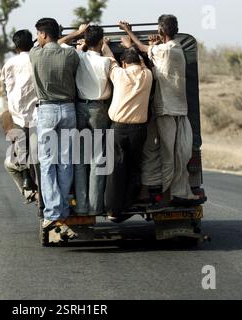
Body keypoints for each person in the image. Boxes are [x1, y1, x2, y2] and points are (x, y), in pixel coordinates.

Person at [118, 17, 202, 209]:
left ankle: (167, 195)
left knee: (168, 154)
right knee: (177, 153)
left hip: (166, 109)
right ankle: (172, 191)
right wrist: (153, 44)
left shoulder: (165, 50)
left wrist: (128, 33)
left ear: (162, 31)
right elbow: (156, 64)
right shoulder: (176, 48)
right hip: (177, 108)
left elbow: (144, 49)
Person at [29, 18, 80, 237]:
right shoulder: (70, 55)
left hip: (47, 111)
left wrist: (65, 37)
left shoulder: (35, 54)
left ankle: (53, 211)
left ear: (41, 34)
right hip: (69, 109)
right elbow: (59, 45)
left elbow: (38, 45)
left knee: (48, 163)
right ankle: (64, 208)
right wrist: (74, 36)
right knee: (66, 160)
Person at [58, 24, 112, 215]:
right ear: (100, 41)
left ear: (86, 41)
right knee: (98, 158)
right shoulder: (106, 62)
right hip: (98, 109)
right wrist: (105, 46)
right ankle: (95, 206)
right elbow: (113, 62)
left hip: (79, 107)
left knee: (80, 159)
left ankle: (81, 206)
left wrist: (79, 36)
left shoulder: (77, 57)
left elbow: (57, 43)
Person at [101, 35, 153, 220]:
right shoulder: (147, 75)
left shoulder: (119, 74)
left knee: (116, 169)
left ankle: (113, 209)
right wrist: (132, 47)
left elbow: (110, 59)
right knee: (134, 167)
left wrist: (106, 45)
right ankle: (129, 203)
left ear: (124, 63)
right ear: (139, 62)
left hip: (119, 128)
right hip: (139, 130)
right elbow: (143, 63)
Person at [1, 30, 39, 204]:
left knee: (18, 157)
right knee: (36, 157)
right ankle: (30, 184)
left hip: (17, 115)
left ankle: (28, 187)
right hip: (37, 114)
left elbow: (6, 86)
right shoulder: (37, 58)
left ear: (15, 46)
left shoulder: (10, 63)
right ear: (32, 43)